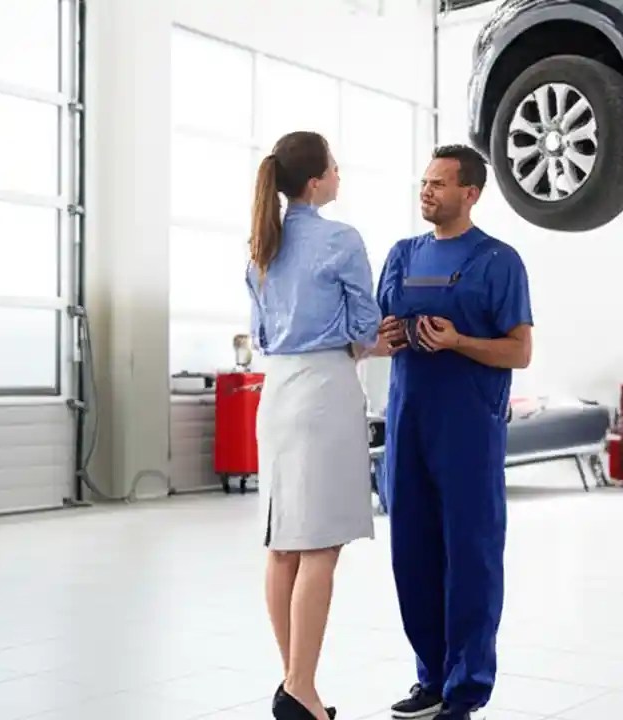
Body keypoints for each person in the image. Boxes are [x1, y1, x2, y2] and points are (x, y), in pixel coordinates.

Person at [369, 145, 533, 720]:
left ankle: (466, 688)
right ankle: (430, 678)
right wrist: (388, 336)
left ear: (470, 193)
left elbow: (520, 350)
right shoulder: (400, 255)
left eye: (439, 183)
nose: (427, 191)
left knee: (471, 554)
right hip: (408, 418)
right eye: (424, 181)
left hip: (469, 425)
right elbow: (378, 334)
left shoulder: (498, 260)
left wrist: (458, 341)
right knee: (411, 551)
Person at [246, 130, 381, 720]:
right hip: (324, 393)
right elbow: (367, 328)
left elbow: (259, 337)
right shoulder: (340, 239)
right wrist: (363, 342)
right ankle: (301, 688)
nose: (340, 173)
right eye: (335, 165)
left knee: (282, 547)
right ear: (316, 180)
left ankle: (297, 685)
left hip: (276, 393)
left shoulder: (261, 246)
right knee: (321, 546)